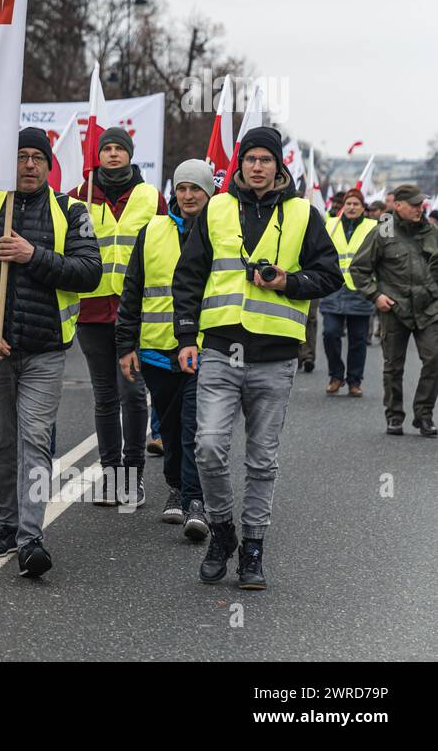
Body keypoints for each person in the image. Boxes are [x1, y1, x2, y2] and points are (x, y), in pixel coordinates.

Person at [173, 127, 341, 590]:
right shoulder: (218, 208)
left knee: (262, 462)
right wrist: (186, 335)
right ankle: (223, 530)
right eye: (250, 159)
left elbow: (331, 276)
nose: (258, 166)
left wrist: (289, 282)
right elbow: (189, 275)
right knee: (207, 447)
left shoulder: (304, 214)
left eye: (266, 159)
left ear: (278, 165)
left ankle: (252, 549)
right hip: (219, 350)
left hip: (275, 356)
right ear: (240, 164)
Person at [0, 129, 101, 575]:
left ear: (50, 165)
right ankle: (7, 523)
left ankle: (32, 538)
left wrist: (33, 255)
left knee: (34, 438)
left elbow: (89, 272)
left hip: (45, 350)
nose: (29, 165)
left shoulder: (72, 212)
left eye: (37, 157)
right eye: (20, 156)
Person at [66, 126, 167, 507]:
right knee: (105, 395)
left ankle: (133, 476)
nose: (111, 154)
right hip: (91, 309)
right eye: (105, 148)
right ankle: (111, 478)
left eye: (118, 149)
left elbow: (167, 244)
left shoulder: (149, 196)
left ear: (129, 154)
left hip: (134, 311)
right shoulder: (78, 196)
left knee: (132, 393)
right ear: (98, 155)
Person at [116, 160, 213, 541]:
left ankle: (196, 501)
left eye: (196, 189)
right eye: (183, 188)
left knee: (196, 430)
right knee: (170, 430)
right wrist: (126, 345)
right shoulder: (152, 229)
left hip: (205, 350)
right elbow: (133, 289)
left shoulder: (223, 230)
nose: (188, 196)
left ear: (209, 193)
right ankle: (175, 486)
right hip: (157, 351)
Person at [349, 183, 438, 437]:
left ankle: (424, 415)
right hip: (395, 308)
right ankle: (394, 415)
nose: (419, 209)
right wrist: (375, 296)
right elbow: (359, 269)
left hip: (429, 307)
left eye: (421, 204)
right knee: (393, 366)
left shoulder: (431, 231)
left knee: (434, 359)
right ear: (397, 205)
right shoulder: (383, 231)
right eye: (414, 205)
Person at [321, 188, 376, 397]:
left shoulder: (373, 227)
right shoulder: (331, 224)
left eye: (356, 204)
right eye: (349, 204)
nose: (352, 207)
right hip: (334, 288)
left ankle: (354, 381)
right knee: (330, 333)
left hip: (361, 290)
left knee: (358, 339)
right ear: (344, 206)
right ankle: (336, 376)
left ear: (363, 208)